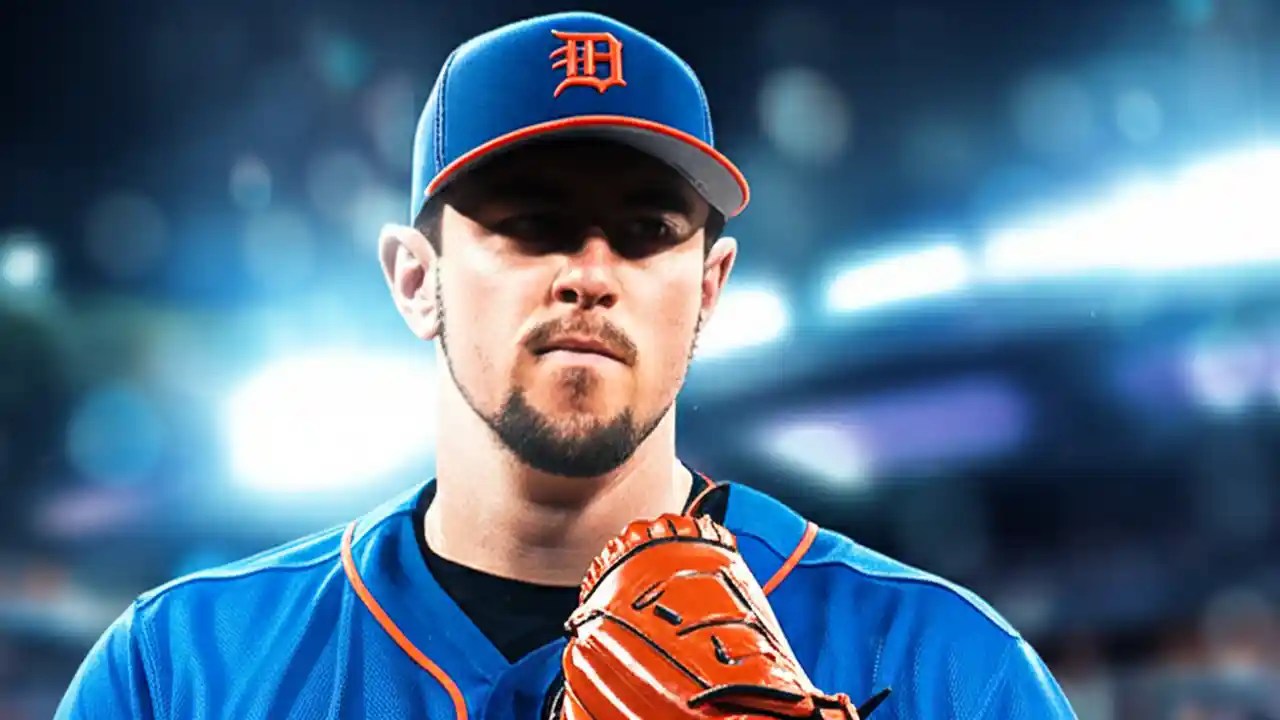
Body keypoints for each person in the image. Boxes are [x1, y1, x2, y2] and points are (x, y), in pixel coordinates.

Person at [56, 11, 1076, 719]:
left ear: (708, 289)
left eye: (643, 231)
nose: (590, 275)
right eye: (532, 225)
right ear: (418, 281)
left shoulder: (944, 672)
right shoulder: (179, 674)